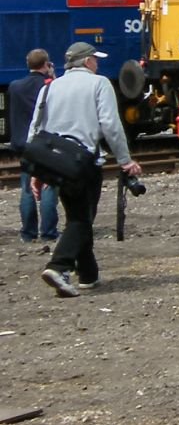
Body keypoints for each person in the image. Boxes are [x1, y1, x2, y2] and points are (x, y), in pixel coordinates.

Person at [28, 42, 142, 297]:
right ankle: (59, 267)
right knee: (81, 219)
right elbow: (110, 124)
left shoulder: (50, 87)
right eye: (95, 59)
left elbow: (36, 126)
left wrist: (37, 170)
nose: (97, 63)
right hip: (83, 160)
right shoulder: (99, 83)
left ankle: (88, 273)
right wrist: (125, 159)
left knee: (77, 215)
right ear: (86, 61)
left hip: (55, 159)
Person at [10, 49, 59, 243]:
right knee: (47, 187)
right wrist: (53, 77)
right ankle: (48, 232)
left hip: (24, 145)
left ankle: (28, 233)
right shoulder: (50, 86)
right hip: (45, 143)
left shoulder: (15, 86)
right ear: (47, 64)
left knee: (27, 189)